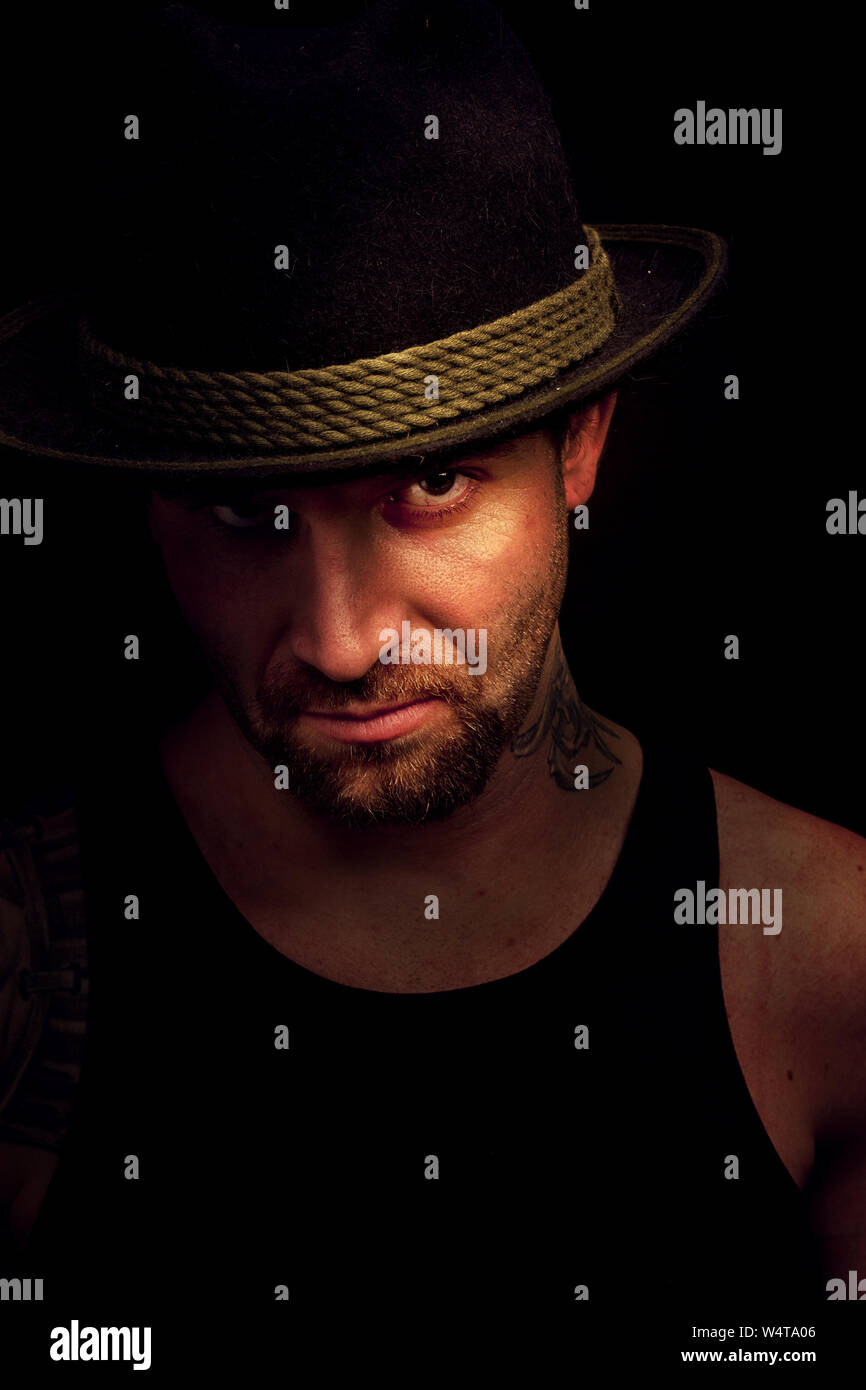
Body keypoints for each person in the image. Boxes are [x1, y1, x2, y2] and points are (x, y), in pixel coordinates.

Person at [0, 0, 863, 1366]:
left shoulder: (828, 955)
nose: (341, 640)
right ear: (153, 512)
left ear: (578, 447)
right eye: (247, 516)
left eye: (432, 482)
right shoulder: (25, 955)